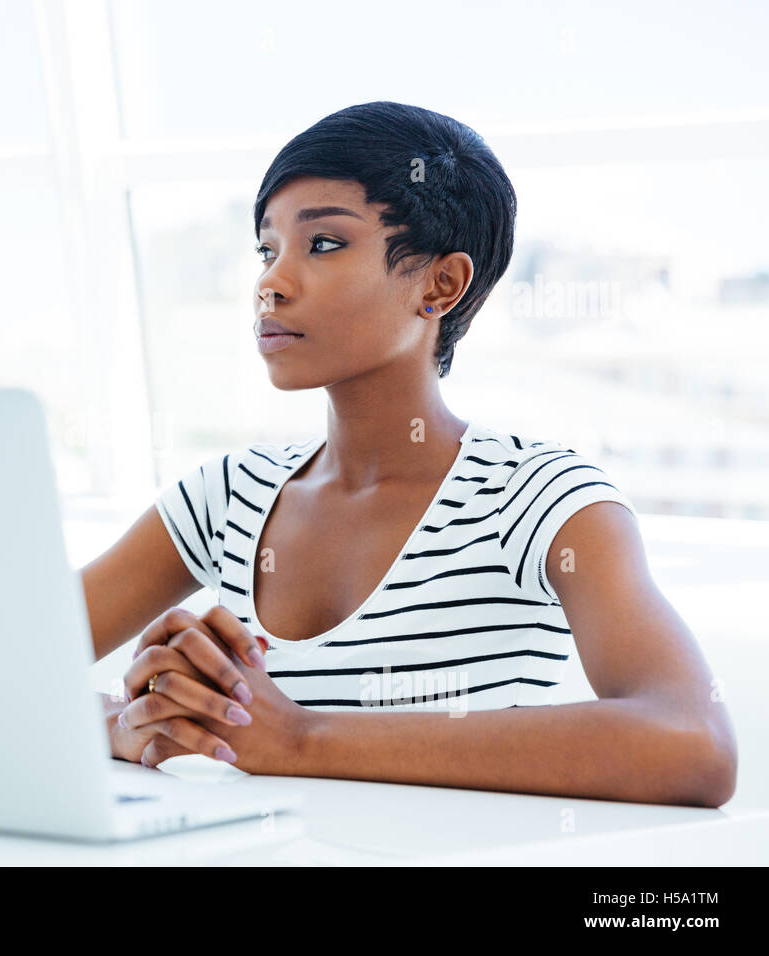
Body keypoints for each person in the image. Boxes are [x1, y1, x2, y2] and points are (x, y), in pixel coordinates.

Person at [80, 101, 737, 807]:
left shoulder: (542, 498)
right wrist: (121, 723)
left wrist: (301, 741)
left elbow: (693, 742)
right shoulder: (224, 496)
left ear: (441, 285)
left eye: (324, 244)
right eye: (268, 250)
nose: (271, 282)